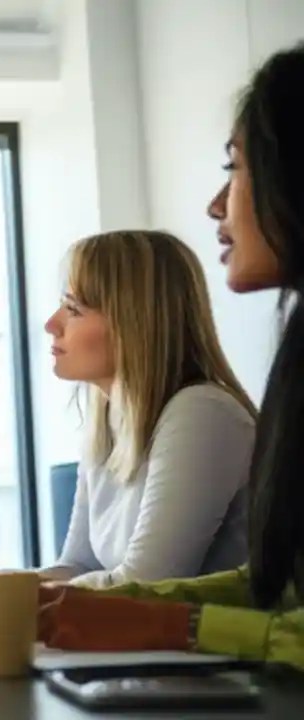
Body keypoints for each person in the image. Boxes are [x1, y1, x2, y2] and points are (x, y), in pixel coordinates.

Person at [37, 42, 304, 671]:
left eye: (235, 167)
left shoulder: (202, 413)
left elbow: (149, 578)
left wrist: (171, 622)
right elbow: (271, 592)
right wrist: (14, 592)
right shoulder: (107, 418)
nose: (216, 204)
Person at [0, 230, 257, 605]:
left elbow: (145, 585)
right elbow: (78, 565)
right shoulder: (107, 421)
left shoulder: (202, 413)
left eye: (73, 309)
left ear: (133, 322)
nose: (52, 323)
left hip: (211, 659)